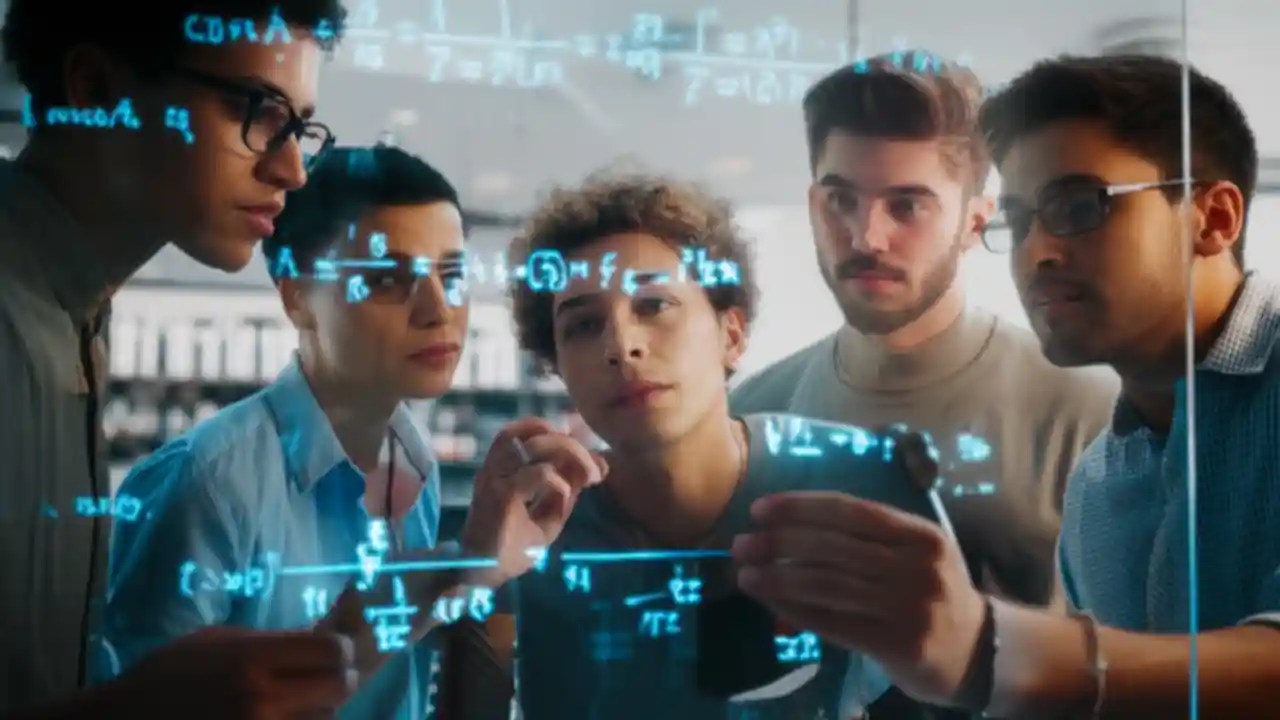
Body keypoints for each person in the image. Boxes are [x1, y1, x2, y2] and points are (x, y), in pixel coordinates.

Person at [732, 55, 1280, 718]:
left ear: (1215, 218)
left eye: (1080, 207)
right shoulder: (1099, 481)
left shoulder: (1075, 430)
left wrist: (990, 650)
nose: (1037, 252)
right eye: (1021, 221)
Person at [728, 51, 1120, 718]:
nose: (865, 236)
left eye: (906, 204)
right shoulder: (752, 411)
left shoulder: (1088, 411)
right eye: (839, 199)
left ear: (974, 222)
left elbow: (1150, 666)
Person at [485, 171, 952, 720]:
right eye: (584, 326)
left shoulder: (860, 480)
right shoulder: (540, 529)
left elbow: (950, 688)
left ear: (731, 335)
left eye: (654, 305)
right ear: (556, 367)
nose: (622, 346)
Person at [0, 1, 357, 715]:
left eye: (301, 129)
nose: (294, 170)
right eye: (257, 111)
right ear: (97, 91)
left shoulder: (74, 320)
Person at [101, 144, 470, 718]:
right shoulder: (206, 483)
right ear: (297, 296)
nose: (439, 309)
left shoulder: (414, 458)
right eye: (388, 280)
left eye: (453, 275)